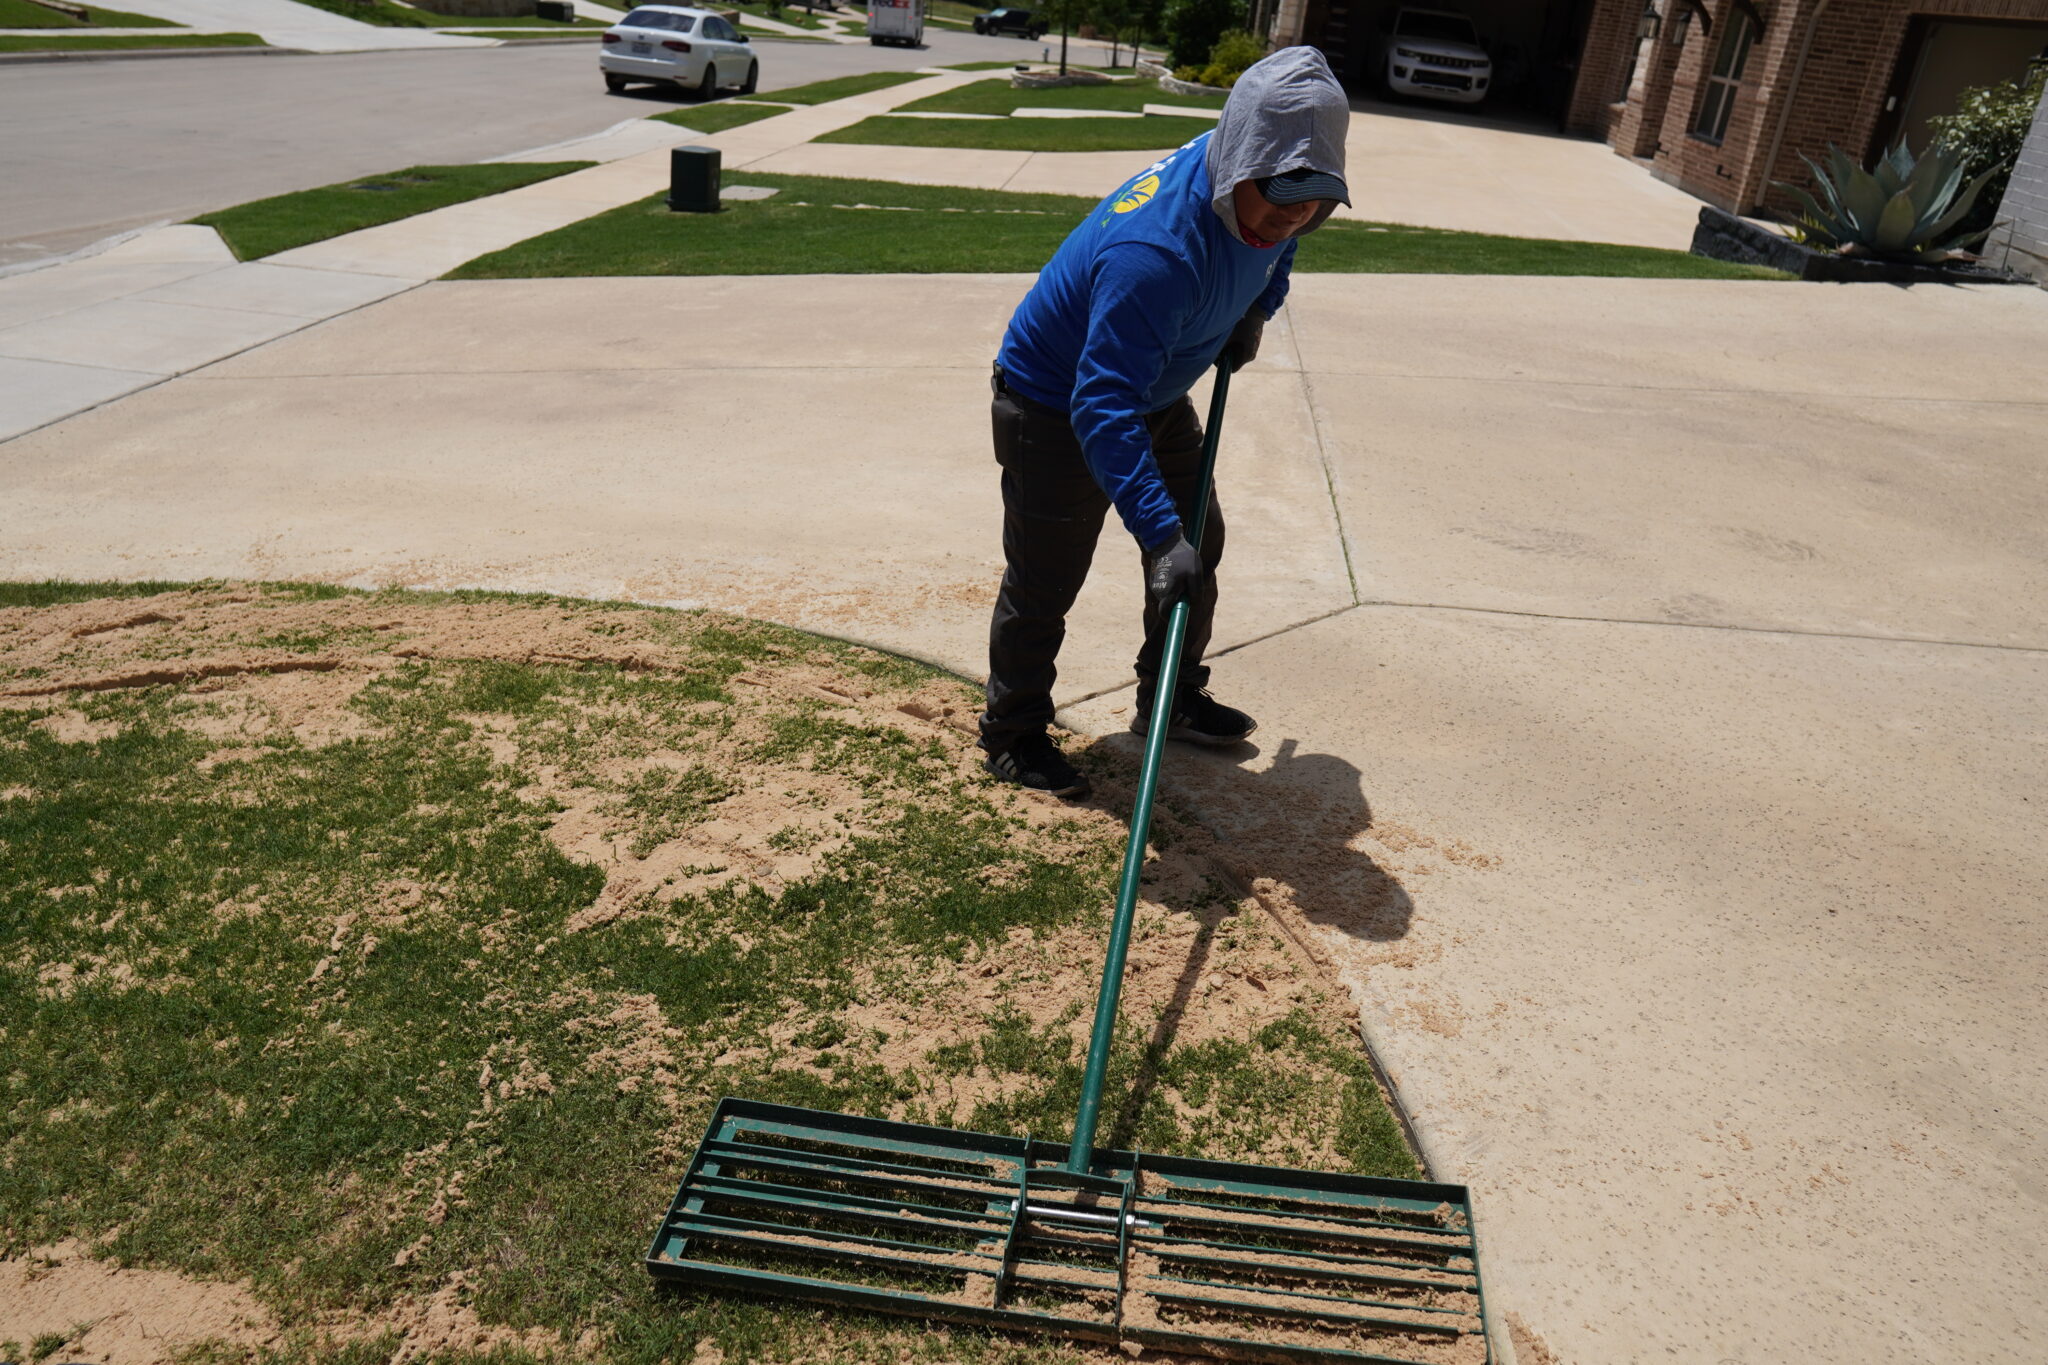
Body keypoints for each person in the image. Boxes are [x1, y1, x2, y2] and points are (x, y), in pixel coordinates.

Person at [978, 46, 1352, 799]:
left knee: (1199, 541)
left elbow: (1280, 252)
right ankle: (1012, 732)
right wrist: (1155, 535)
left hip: (1146, 393)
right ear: (1236, 161)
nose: (1294, 215)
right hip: (1056, 404)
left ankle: (1170, 695)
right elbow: (1098, 401)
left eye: (1314, 198)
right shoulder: (1154, 251)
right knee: (1049, 578)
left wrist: (1253, 309)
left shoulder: (1277, 203)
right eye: (1280, 196)